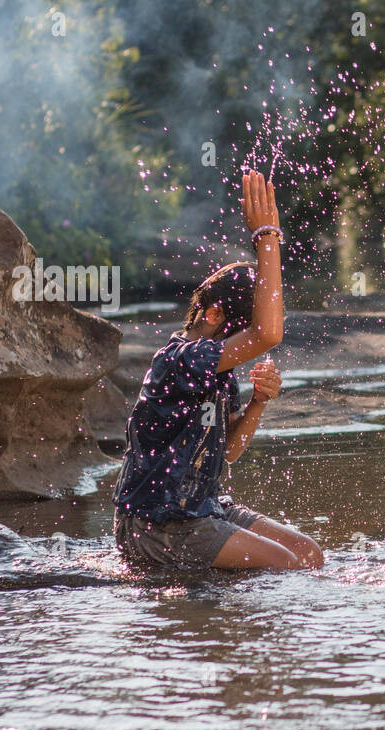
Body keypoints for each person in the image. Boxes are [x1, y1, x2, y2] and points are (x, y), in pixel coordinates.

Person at [112, 171, 324, 571]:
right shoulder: (180, 360)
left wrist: (259, 404)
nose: (248, 341)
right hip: (158, 523)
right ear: (213, 313)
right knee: (286, 565)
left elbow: (227, 452)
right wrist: (266, 236)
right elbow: (268, 334)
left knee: (309, 555)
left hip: (202, 508)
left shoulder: (219, 374)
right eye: (243, 328)